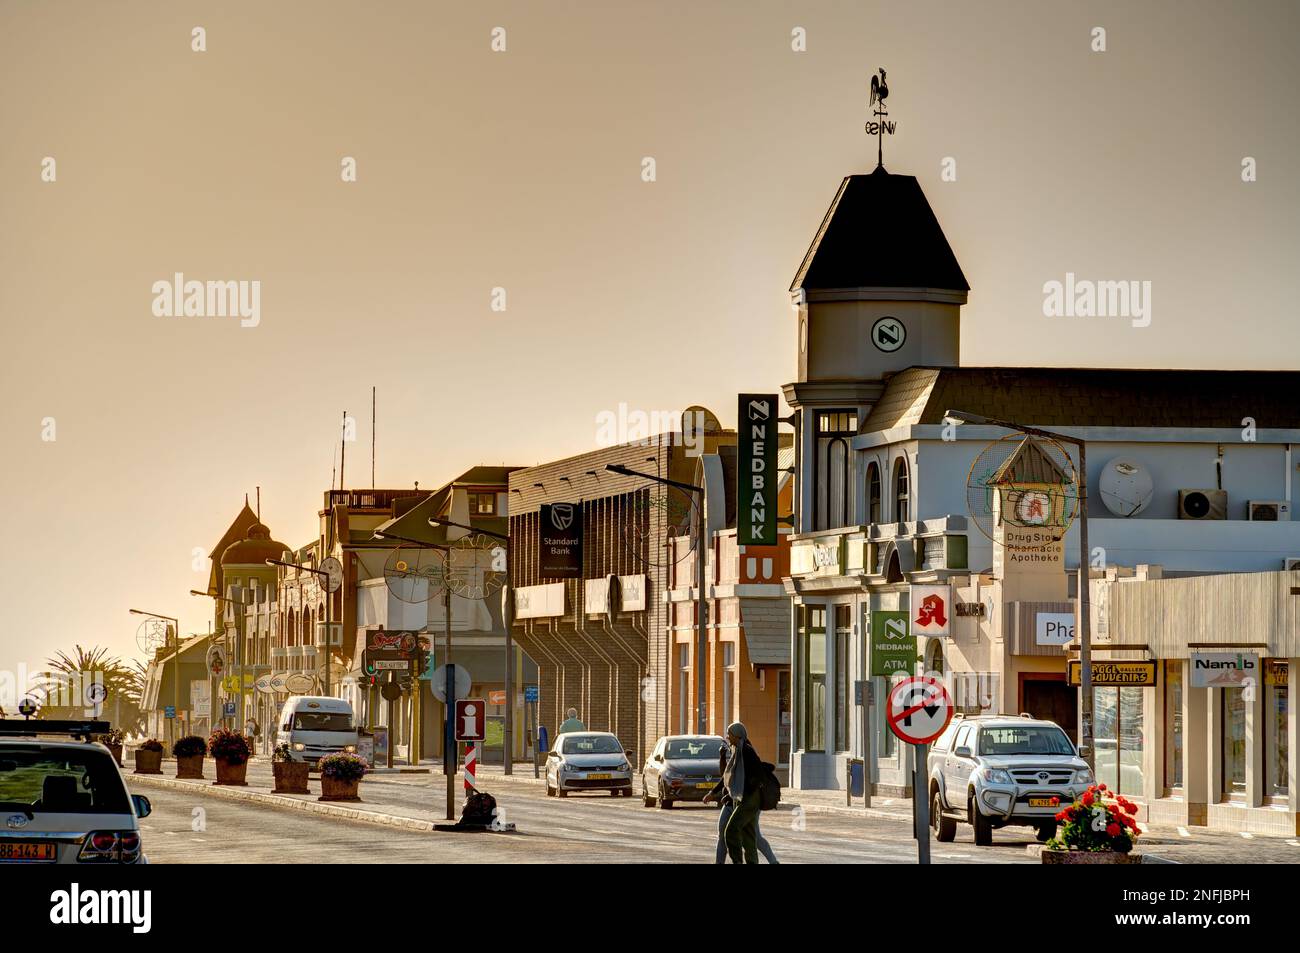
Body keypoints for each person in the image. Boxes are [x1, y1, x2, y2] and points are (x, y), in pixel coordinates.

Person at [705, 738, 780, 864]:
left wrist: (744, 796)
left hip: (746, 804)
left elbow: (750, 781)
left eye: (731, 738)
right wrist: (722, 757)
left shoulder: (747, 755)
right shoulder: (734, 758)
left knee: (754, 837)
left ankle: (773, 862)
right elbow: (725, 777)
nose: (729, 743)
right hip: (730, 803)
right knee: (723, 835)